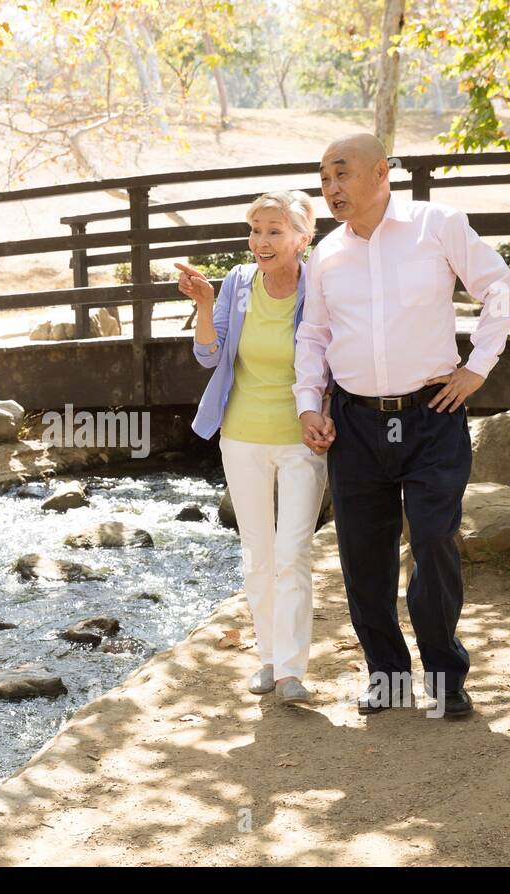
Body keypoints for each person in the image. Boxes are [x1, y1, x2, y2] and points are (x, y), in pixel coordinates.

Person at [294, 132, 510, 719]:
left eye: (341, 173)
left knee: (433, 541)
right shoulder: (326, 254)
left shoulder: (437, 225)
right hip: (354, 422)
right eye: (323, 178)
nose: (331, 188)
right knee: (362, 554)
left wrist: (478, 368)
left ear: (380, 173)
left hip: (432, 415)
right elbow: (314, 335)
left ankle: (446, 675)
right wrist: (309, 404)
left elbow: (500, 286)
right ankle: (388, 676)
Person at [179, 190, 333, 707]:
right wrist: (204, 305)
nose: (261, 241)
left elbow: (337, 355)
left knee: (292, 552)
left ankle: (292, 671)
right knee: (257, 551)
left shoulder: (321, 285)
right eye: (256, 230)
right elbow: (208, 354)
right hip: (241, 436)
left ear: (301, 238)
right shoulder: (238, 284)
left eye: (274, 230)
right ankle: (268, 658)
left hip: (300, 440)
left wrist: (327, 410)